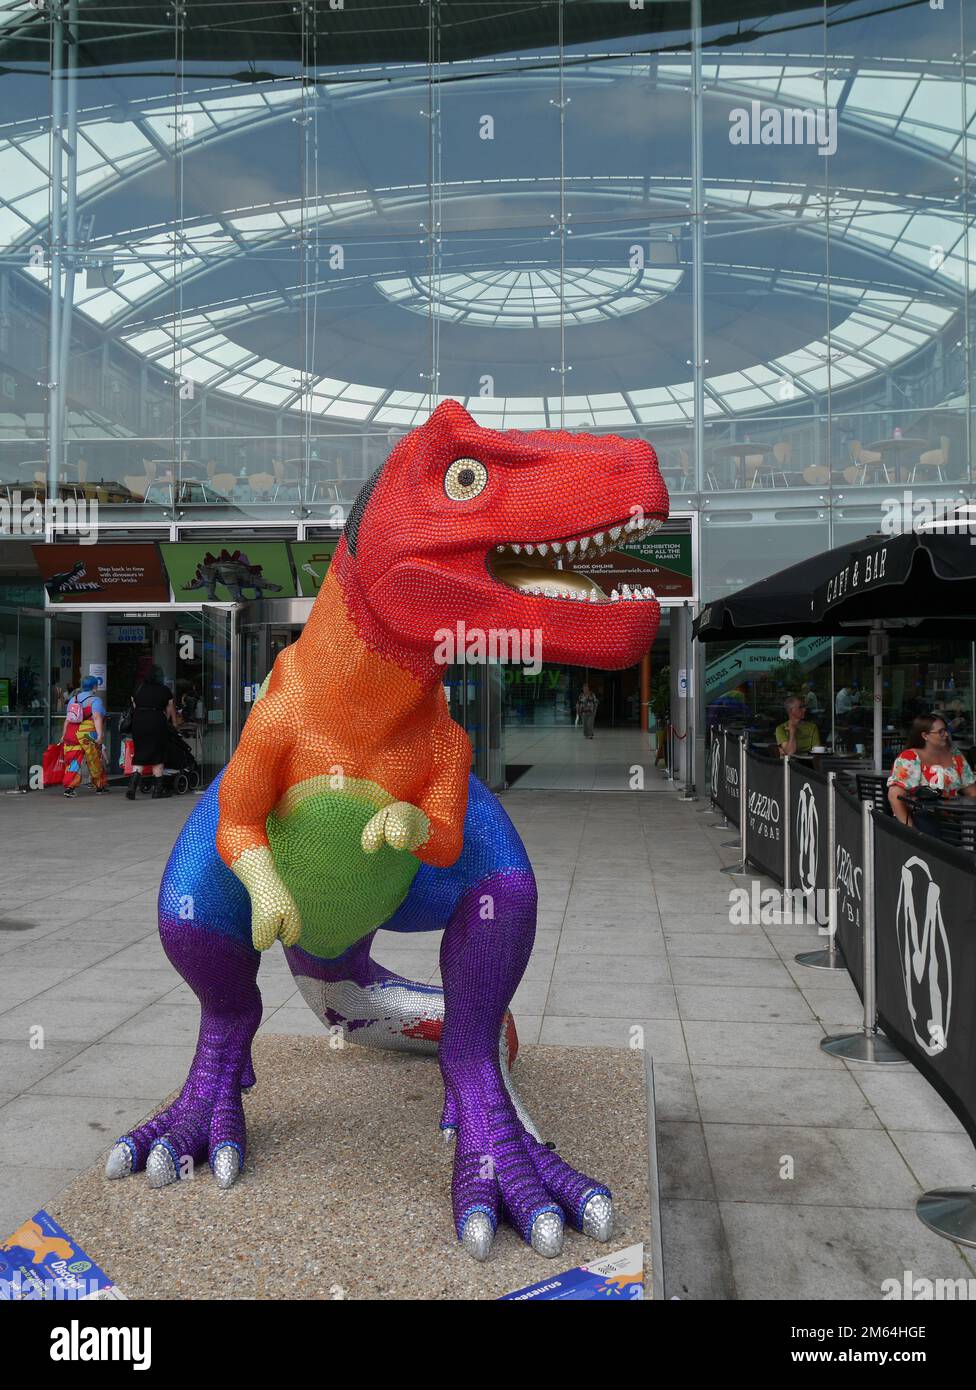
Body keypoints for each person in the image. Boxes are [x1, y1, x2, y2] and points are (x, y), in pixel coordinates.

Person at [887, 713, 976, 835]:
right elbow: (894, 796)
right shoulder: (910, 758)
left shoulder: (955, 755)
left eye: (946, 730)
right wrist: (911, 831)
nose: (946, 734)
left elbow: (971, 791)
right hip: (922, 823)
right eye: (941, 732)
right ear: (925, 735)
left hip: (954, 821)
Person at [126, 665, 177, 800]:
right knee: (157, 754)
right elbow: (170, 708)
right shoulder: (164, 690)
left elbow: (134, 706)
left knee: (140, 752)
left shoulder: (138, 688)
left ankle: (132, 787)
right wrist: (172, 722)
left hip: (139, 722)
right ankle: (158, 790)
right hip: (156, 722)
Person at [60, 675, 108, 798]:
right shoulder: (95, 700)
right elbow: (97, 717)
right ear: (94, 687)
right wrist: (99, 735)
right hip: (88, 734)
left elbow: (67, 719)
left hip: (71, 732)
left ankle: (70, 787)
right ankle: (99, 786)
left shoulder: (73, 699)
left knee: (73, 760)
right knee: (94, 759)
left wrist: (63, 735)